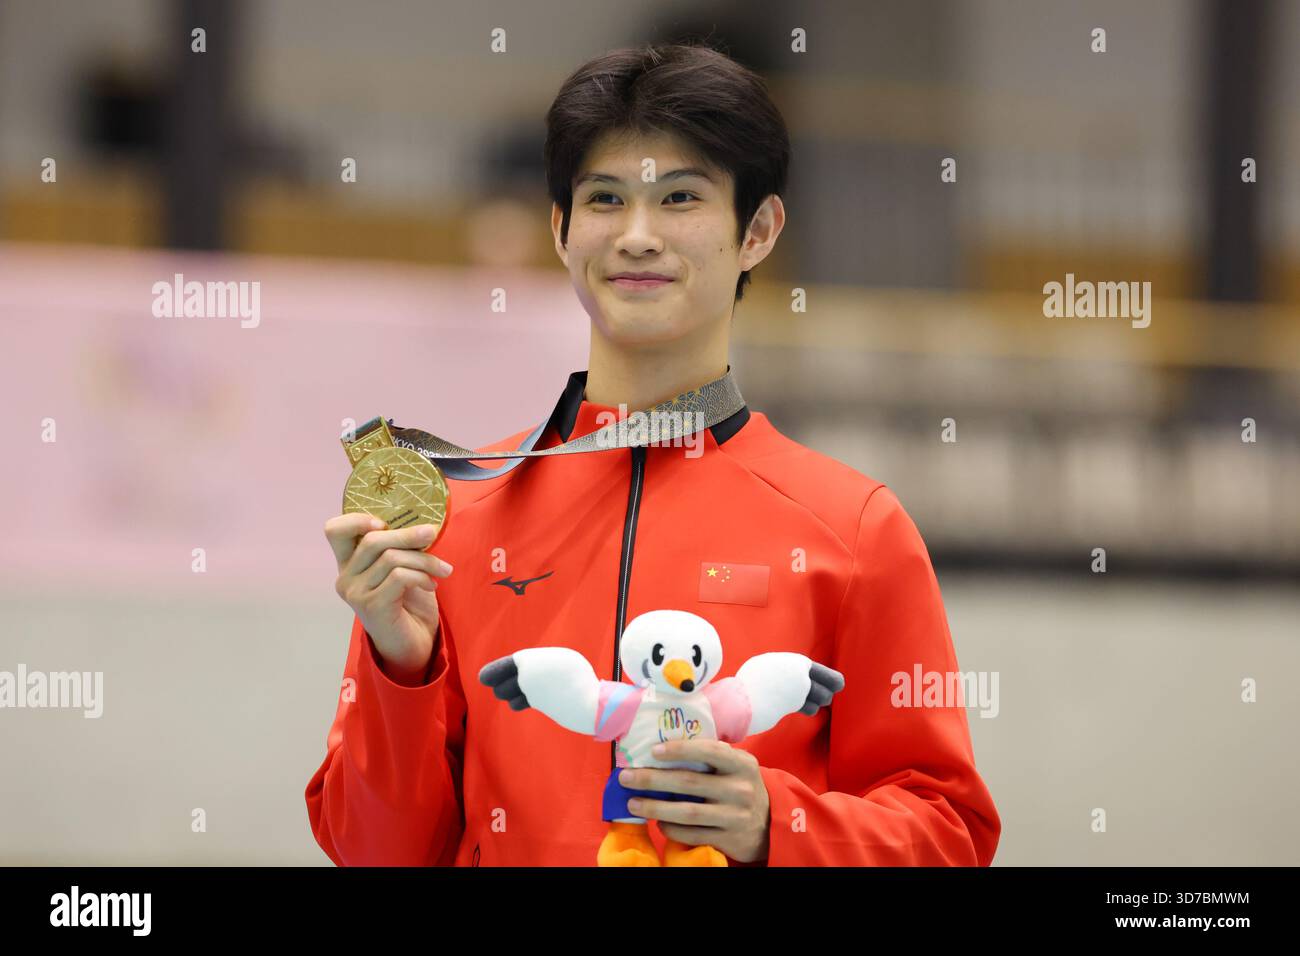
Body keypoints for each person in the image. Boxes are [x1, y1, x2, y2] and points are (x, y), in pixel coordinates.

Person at [306, 42, 1001, 866]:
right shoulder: (456, 518)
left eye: (680, 198)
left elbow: (949, 834)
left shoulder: (853, 530)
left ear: (759, 231)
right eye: (605, 199)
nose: (637, 237)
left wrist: (776, 825)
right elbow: (374, 851)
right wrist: (401, 665)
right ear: (562, 230)